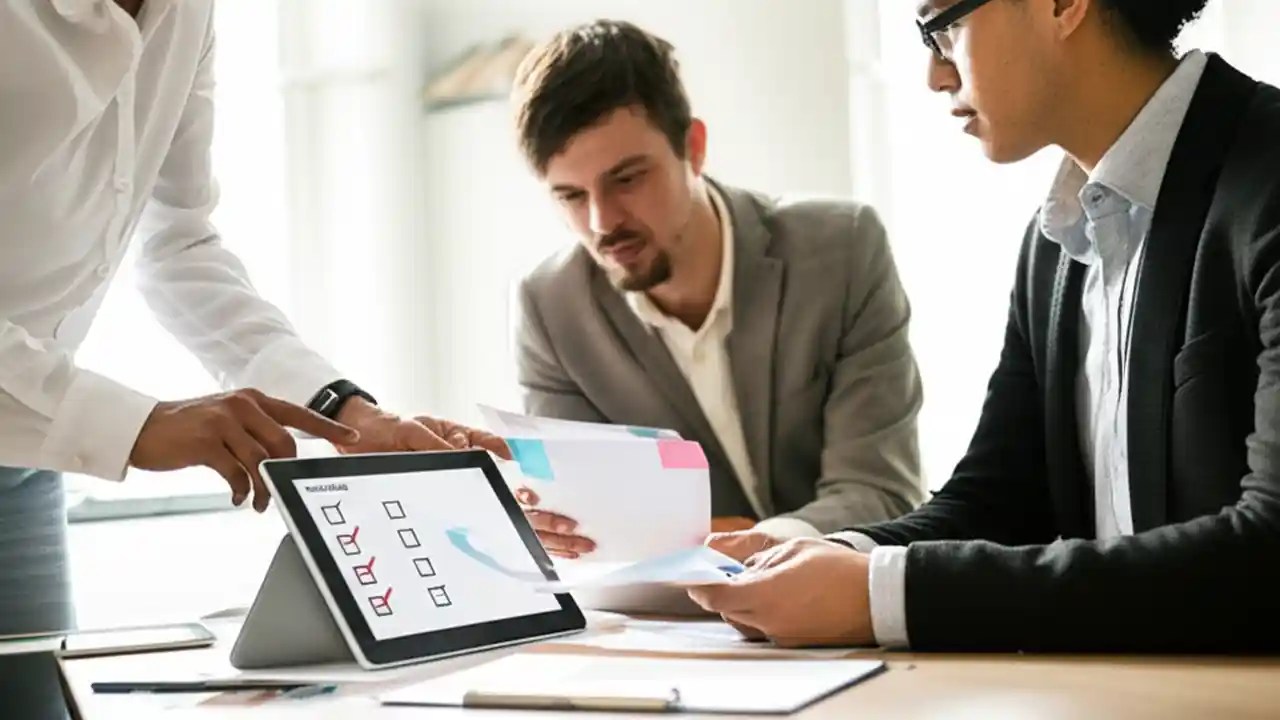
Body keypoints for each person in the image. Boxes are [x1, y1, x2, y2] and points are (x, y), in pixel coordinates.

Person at [691, 0, 1280, 652]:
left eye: (943, 25)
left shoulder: (1267, 184)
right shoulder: (1058, 238)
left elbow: (1267, 550)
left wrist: (883, 595)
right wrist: (812, 551)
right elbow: (1001, 498)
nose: (935, 75)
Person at [0, 0, 507, 635]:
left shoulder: (187, 14)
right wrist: (136, 425)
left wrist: (347, 416)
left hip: (22, 451)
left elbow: (178, 246)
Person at [507, 20, 925, 558]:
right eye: (569, 196)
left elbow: (882, 494)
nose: (601, 221)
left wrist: (743, 542)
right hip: (679, 627)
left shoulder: (840, 250)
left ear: (694, 148)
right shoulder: (550, 310)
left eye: (627, 179)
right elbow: (589, 533)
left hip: (849, 607)